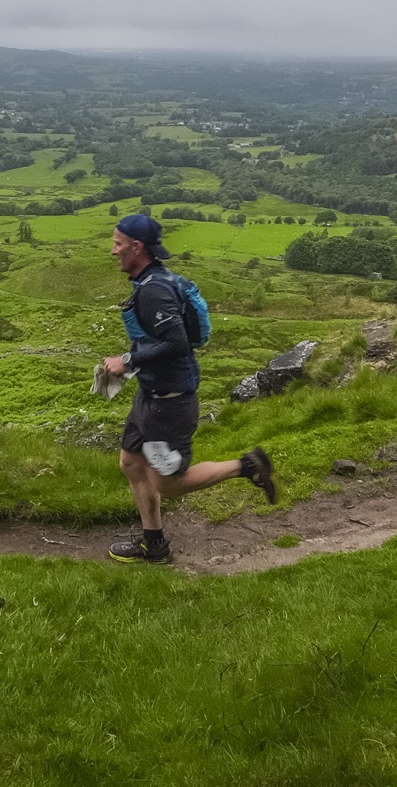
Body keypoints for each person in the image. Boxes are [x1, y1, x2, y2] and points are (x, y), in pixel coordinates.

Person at [100, 214, 276, 564]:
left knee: (170, 483)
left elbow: (178, 343)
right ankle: (155, 544)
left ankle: (248, 465)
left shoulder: (154, 291)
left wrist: (128, 361)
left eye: (118, 244)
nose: (112, 250)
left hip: (170, 403)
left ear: (137, 248)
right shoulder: (151, 281)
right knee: (131, 463)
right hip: (150, 396)